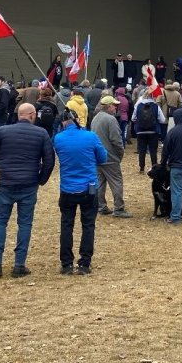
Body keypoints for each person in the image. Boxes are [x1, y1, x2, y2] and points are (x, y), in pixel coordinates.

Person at [0, 103, 56, 278]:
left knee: (0, 222)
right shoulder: (41, 133)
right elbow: (49, 160)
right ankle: (19, 264)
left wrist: (2, 159)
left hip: (6, 182)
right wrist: (41, 179)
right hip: (29, 183)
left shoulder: (1, 131)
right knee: (25, 224)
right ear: (32, 115)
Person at [52, 108, 107, 275]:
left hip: (67, 188)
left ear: (63, 122)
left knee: (66, 225)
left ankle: (66, 263)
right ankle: (85, 263)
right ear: (77, 120)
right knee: (88, 225)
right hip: (89, 188)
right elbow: (103, 158)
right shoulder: (90, 136)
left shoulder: (58, 138)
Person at [91, 95, 131, 218]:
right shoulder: (111, 119)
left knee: (100, 183)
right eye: (114, 105)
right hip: (110, 157)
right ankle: (119, 208)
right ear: (108, 107)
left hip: (97, 156)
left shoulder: (95, 118)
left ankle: (101, 206)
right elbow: (116, 140)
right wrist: (120, 154)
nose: (116, 107)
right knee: (116, 182)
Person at [131, 93, 163, 172]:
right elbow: (162, 120)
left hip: (140, 131)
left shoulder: (138, 106)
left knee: (142, 150)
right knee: (153, 150)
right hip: (153, 131)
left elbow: (133, 118)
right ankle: (154, 168)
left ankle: (142, 168)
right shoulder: (156, 106)